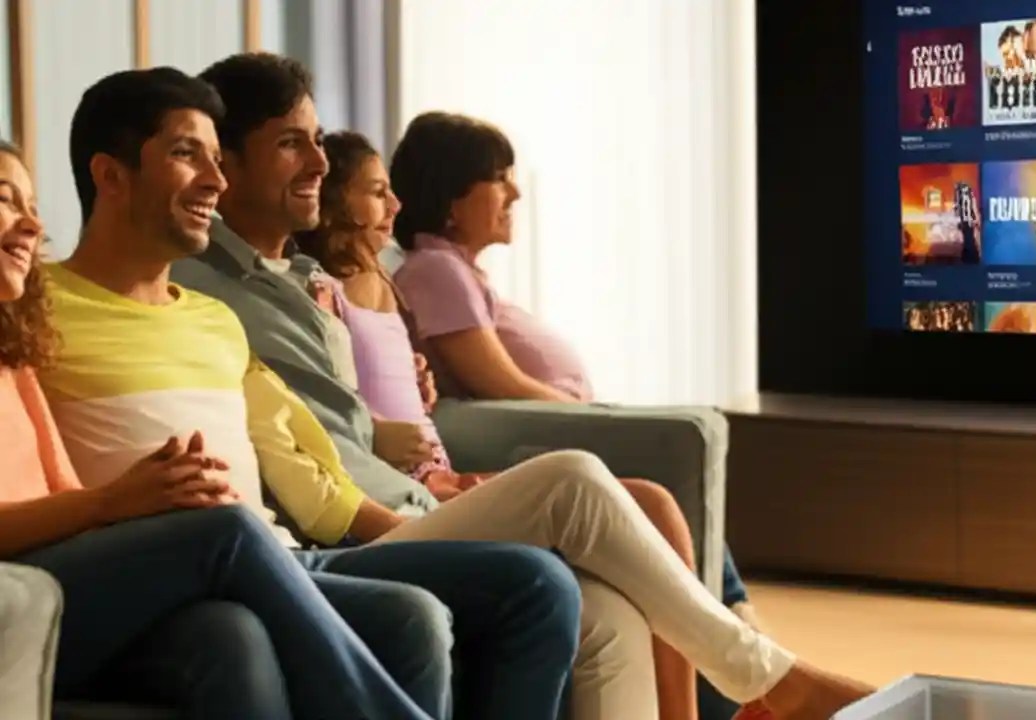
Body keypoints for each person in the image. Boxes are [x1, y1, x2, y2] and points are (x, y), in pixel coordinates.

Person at [171, 51, 878, 720]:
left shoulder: (309, 282)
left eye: (318, 140)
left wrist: (421, 463)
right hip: (346, 539)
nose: (321, 162)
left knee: (607, 613)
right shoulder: (197, 288)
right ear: (225, 164)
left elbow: (342, 434)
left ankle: (758, 678)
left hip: (408, 501)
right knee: (572, 478)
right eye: (292, 143)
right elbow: (281, 468)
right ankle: (771, 679)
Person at [46, 66, 584, 720]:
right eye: (188, 155)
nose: (216, 181)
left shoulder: (214, 316)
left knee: (534, 583)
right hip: (159, 567)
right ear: (110, 175)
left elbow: (297, 445)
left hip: (278, 552)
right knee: (229, 579)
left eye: (218, 159)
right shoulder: (33, 310)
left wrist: (400, 512)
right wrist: (106, 503)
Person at [0, 139, 446, 720]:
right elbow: (82, 510)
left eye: (31, 206)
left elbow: (64, 494)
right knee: (225, 529)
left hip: (67, 584)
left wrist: (141, 496)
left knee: (234, 632)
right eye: (6, 202)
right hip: (30, 592)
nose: (32, 224)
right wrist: (112, 502)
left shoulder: (16, 356)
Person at [295, 130, 703, 720]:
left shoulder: (384, 286)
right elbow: (334, 418)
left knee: (643, 535)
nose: (395, 206)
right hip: (408, 495)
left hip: (434, 477)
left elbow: (376, 389)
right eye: (378, 192)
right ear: (336, 203)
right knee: (621, 496)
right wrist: (388, 435)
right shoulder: (329, 292)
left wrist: (417, 385)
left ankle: (719, 673)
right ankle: (753, 664)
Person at [382, 111, 762, 643]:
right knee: (665, 450)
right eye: (499, 177)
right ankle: (736, 626)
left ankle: (736, 621)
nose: (514, 192)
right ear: (451, 198)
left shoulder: (456, 271)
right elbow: (497, 381)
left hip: (557, 426)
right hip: (539, 435)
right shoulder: (436, 271)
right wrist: (594, 418)